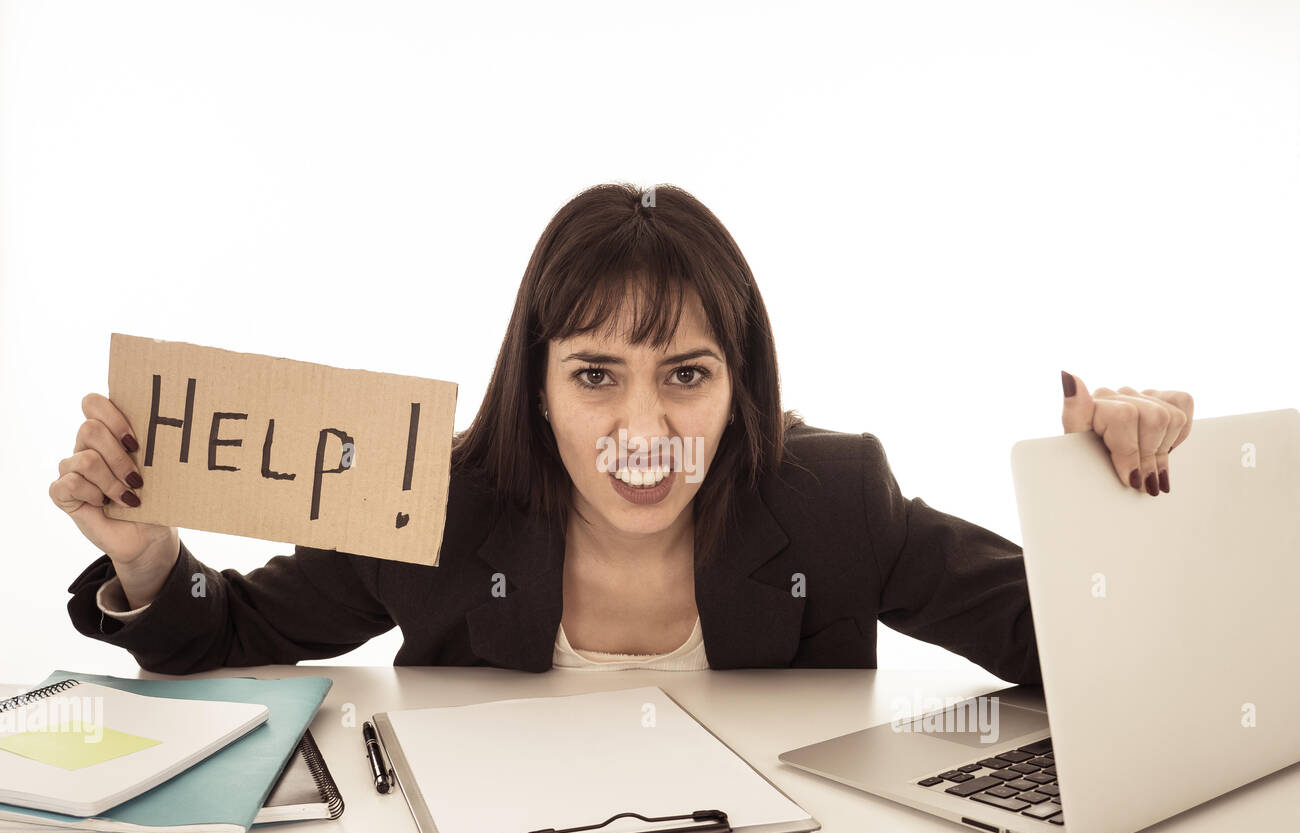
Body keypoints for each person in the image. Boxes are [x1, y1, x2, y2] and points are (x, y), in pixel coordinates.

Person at [51, 183, 1193, 680]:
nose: (641, 427)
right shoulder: (432, 505)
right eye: (596, 373)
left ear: (739, 389)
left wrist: (1125, 504)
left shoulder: (835, 500)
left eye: (686, 374)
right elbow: (235, 638)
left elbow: (1078, 649)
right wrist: (147, 558)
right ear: (537, 387)